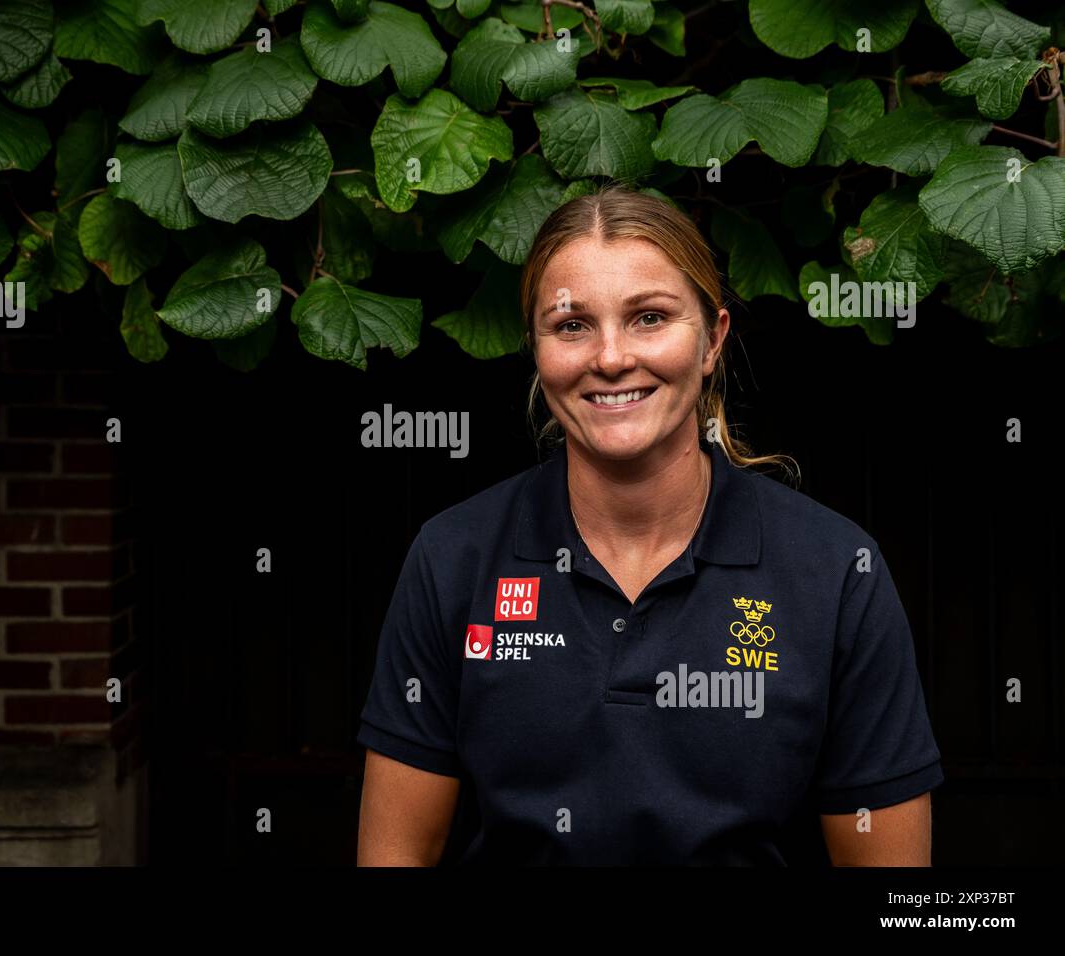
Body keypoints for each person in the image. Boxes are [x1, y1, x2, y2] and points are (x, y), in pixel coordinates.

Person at [354, 185, 943, 866]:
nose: (610, 358)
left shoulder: (836, 572)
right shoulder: (454, 558)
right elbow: (395, 854)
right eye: (571, 325)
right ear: (537, 348)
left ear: (712, 340)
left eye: (650, 318)